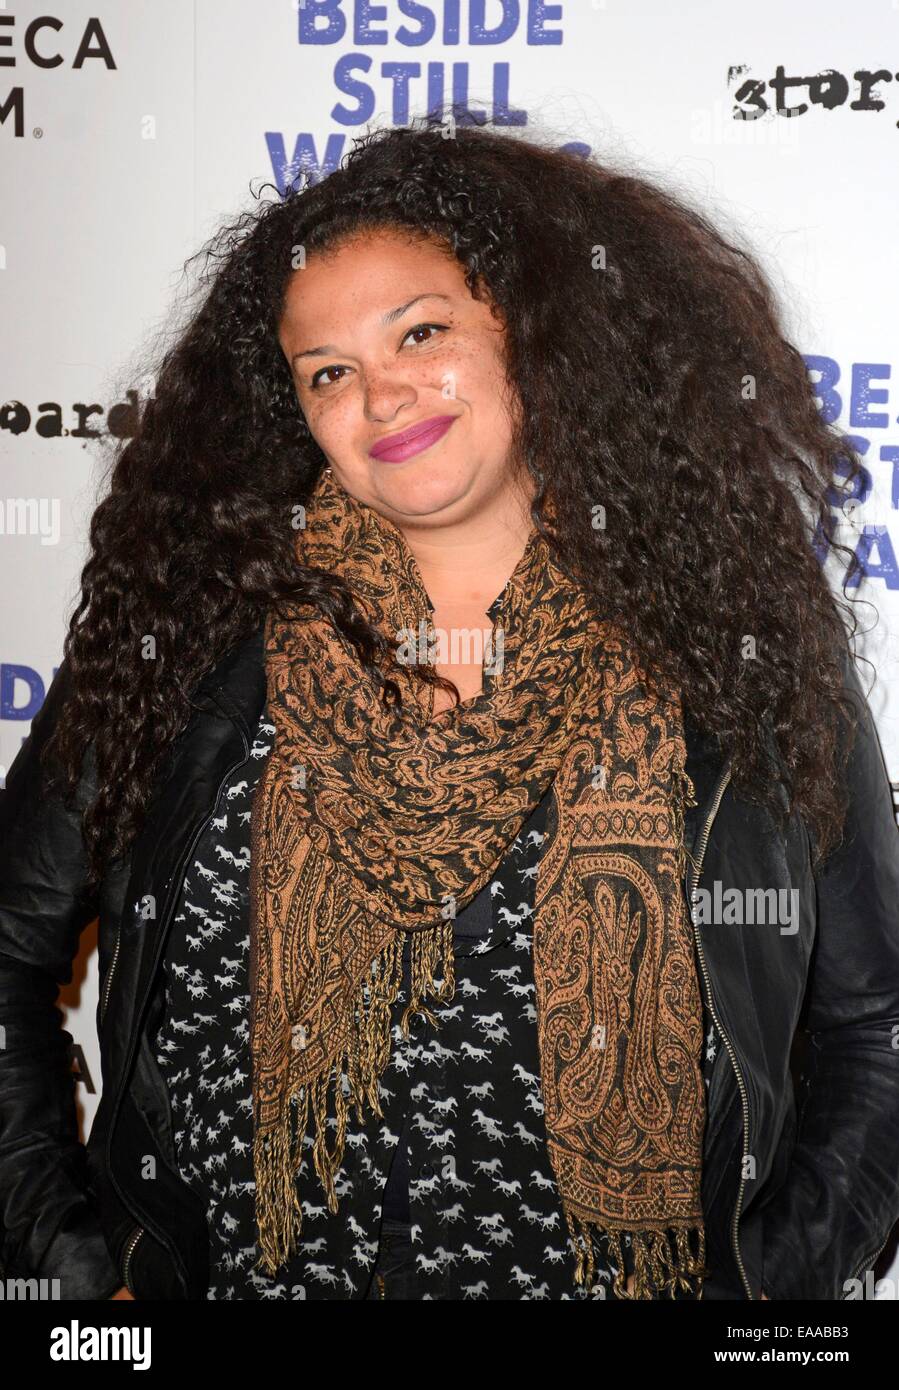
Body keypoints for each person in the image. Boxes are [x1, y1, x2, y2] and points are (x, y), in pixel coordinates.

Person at [1, 115, 898, 1302]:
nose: (379, 393)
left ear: (533, 335)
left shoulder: (734, 648)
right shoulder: (184, 641)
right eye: (327, 371)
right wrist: (75, 1273)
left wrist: (760, 1294)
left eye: (420, 331)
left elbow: (872, 1030)